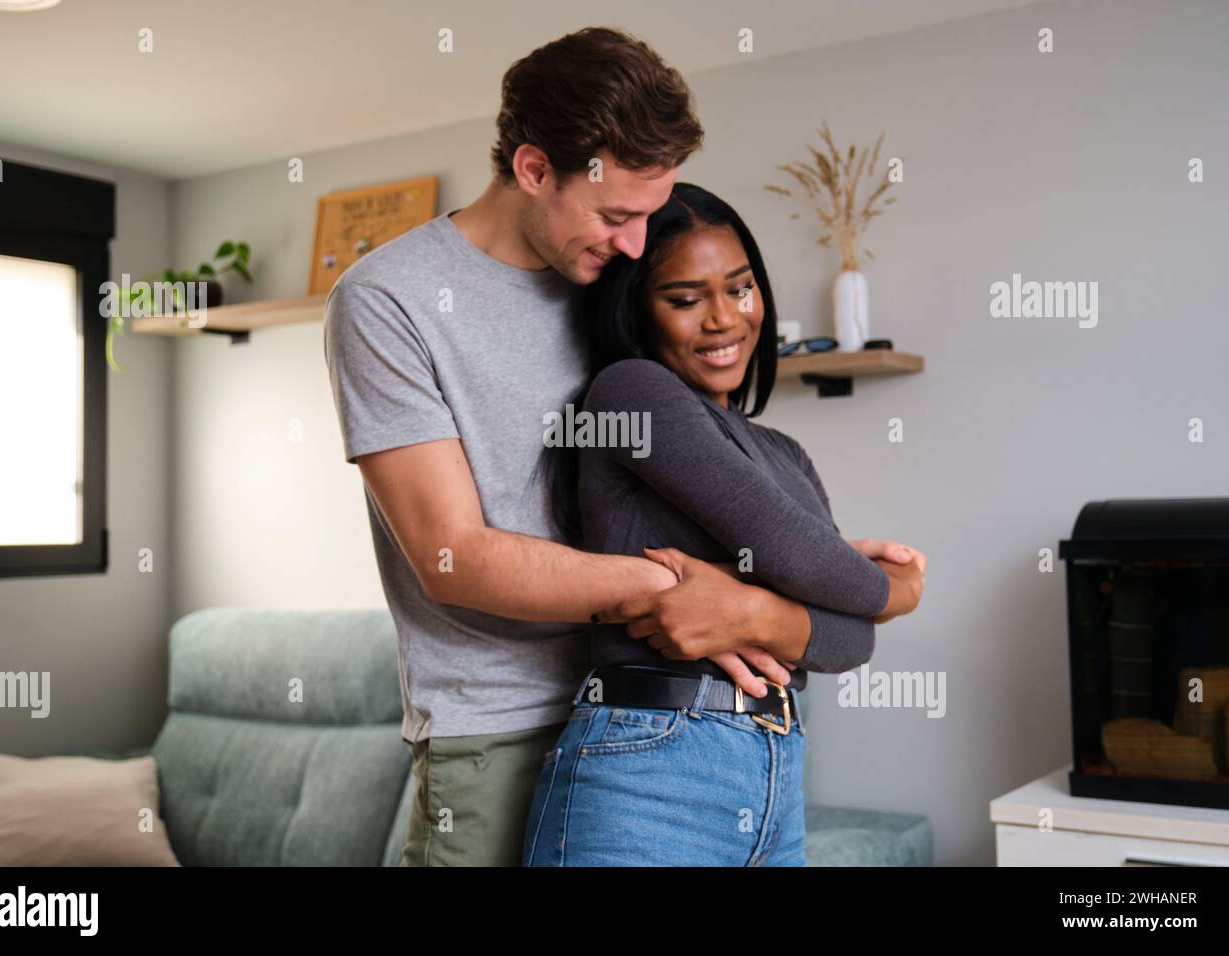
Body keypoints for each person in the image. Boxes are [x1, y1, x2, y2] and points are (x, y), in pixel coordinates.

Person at [324, 28, 887, 867]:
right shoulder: (389, 301)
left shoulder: (612, 286)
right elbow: (452, 556)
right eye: (617, 215)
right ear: (533, 169)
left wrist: (758, 600)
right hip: (497, 722)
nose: (632, 242)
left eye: (646, 218)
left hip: (663, 714)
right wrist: (684, 594)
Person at [521, 183, 927, 866]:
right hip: (647, 772)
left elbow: (849, 641)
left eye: (739, 289)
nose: (723, 319)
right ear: (636, 311)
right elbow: (800, 557)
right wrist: (903, 591)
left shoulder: (786, 455)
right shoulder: (630, 394)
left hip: (774, 775)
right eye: (684, 299)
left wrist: (747, 613)